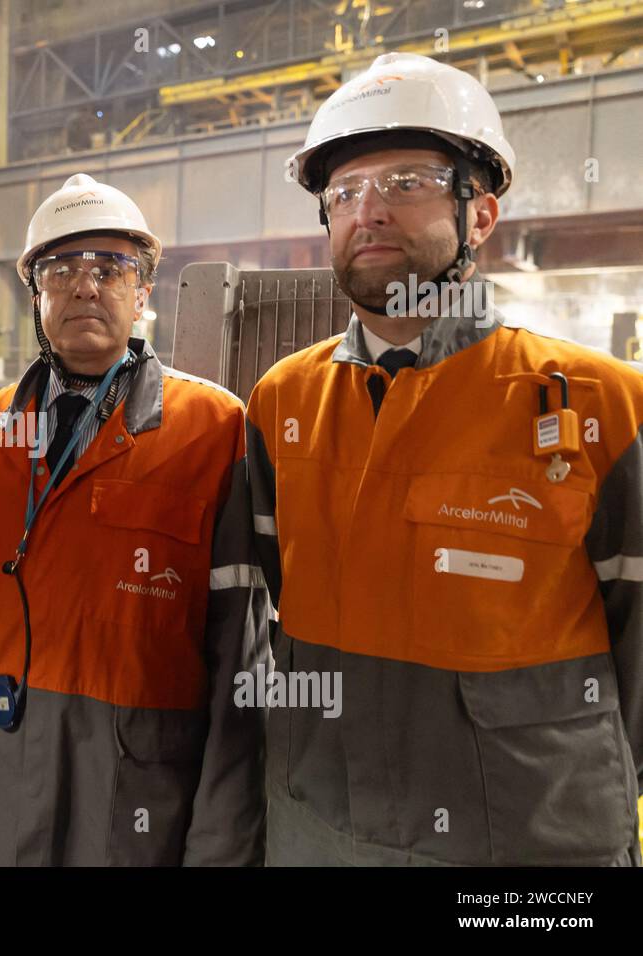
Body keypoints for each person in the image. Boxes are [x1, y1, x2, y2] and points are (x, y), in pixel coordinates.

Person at [248, 51, 643, 865]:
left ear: (483, 214)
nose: (370, 211)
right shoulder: (281, 401)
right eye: (346, 192)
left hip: (527, 851)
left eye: (408, 182)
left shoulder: (604, 404)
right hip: (318, 830)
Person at [0, 173, 268, 865]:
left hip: (138, 789)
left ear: (143, 292)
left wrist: (222, 834)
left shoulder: (213, 429)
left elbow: (239, 649)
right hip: (4, 763)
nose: (86, 286)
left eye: (111, 268)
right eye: (62, 269)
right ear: (37, 293)